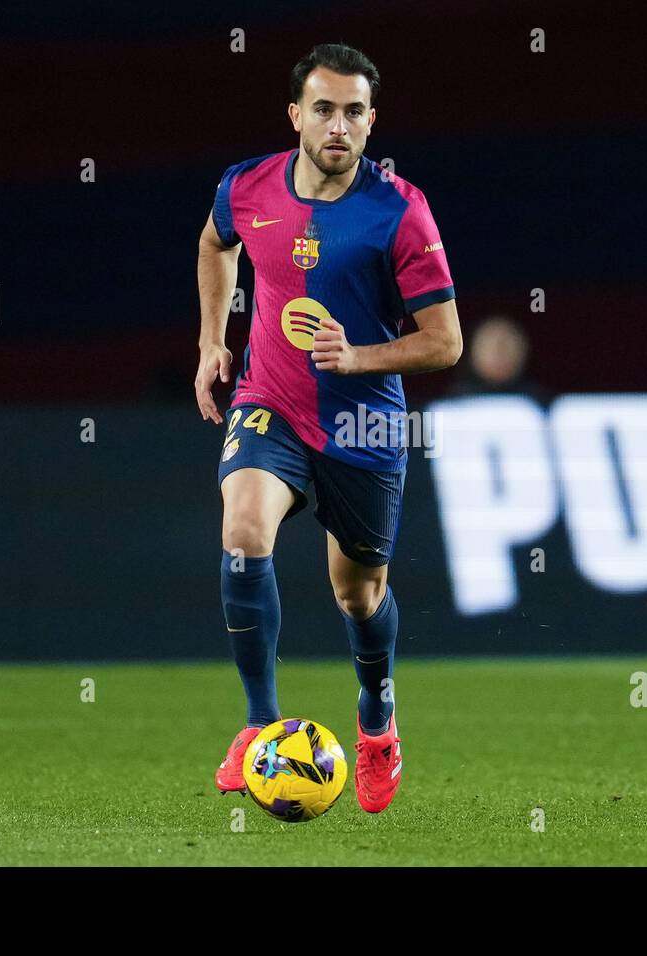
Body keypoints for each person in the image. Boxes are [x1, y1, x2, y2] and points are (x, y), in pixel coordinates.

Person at [194, 43, 462, 813]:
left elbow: (445, 342)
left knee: (358, 595)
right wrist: (215, 340)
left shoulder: (399, 210)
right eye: (323, 109)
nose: (337, 125)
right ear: (296, 116)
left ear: (371, 122)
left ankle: (376, 716)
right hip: (269, 401)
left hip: (366, 428)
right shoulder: (246, 186)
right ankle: (258, 726)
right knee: (244, 531)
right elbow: (217, 244)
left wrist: (359, 356)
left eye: (353, 112)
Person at [450, 314, 545, 400]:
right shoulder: (451, 406)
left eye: (507, 345)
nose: (499, 353)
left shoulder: (542, 405)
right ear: (472, 352)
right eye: (489, 345)